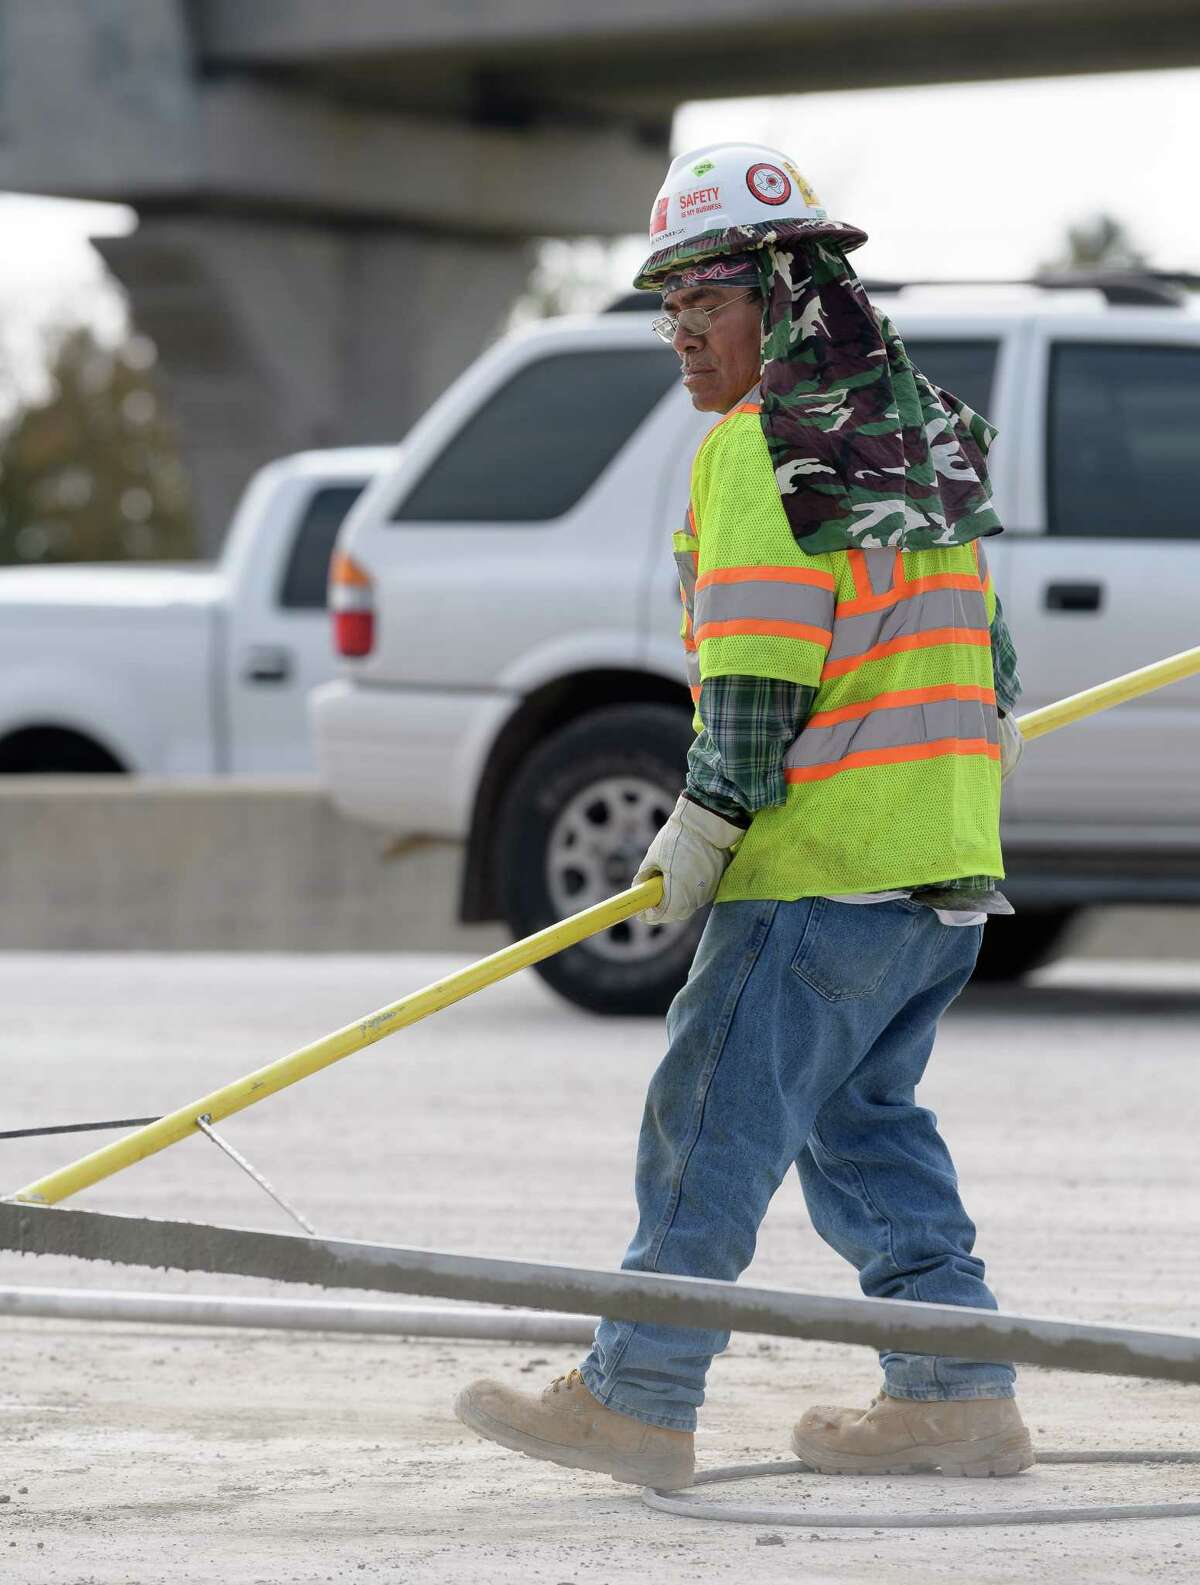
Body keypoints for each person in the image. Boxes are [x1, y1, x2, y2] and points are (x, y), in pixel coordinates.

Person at [455, 142, 1031, 1491]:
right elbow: (992, 660)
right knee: (864, 1127)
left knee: (706, 1124)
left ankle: (638, 1395)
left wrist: (708, 818)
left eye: (702, 303)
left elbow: (761, 672)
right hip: (942, 862)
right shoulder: (909, 428)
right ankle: (956, 1390)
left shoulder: (761, 445)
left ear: (781, 298)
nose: (679, 333)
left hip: (823, 863)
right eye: (668, 307)